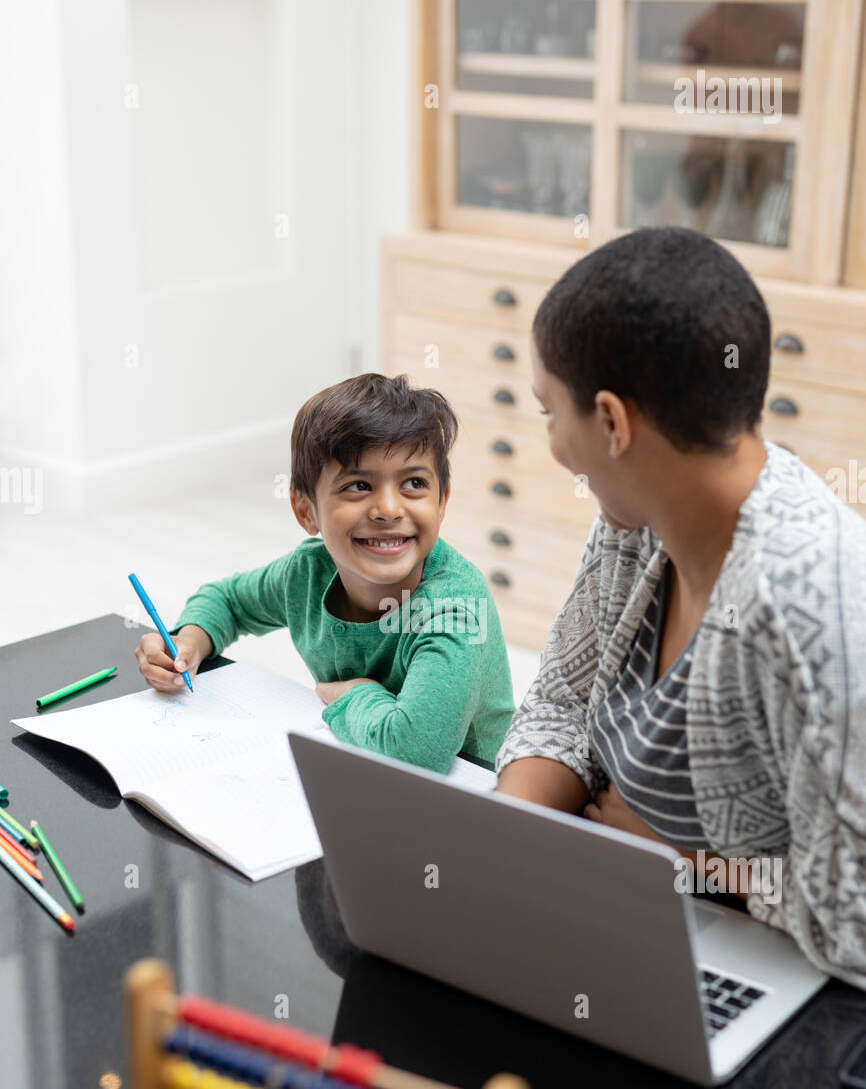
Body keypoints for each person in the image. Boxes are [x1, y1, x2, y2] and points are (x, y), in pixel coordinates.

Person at [496, 227, 866, 989]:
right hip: (632, 920)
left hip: (782, 987)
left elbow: (852, 920)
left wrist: (689, 865)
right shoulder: (641, 515)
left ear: (611, 423)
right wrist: (508, 836)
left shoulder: (806, 604)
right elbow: (563, 700)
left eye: (548, 413)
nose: (553, 443)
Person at [135, 373, 514, 774]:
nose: (388, 508)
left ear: (442, 501)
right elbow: (227, 600)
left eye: (414, 483)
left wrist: (354, 695)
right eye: (358, 485)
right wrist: (189, 641)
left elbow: (416, 750)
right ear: (305, 511)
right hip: (361, 765)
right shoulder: (307, 572)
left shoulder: (455, 605)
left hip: (474, 789)